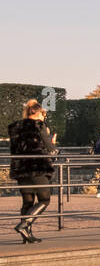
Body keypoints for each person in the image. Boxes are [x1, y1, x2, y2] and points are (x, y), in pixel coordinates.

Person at [9, 99, 56, 244]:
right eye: (43, 114)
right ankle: (23, 225)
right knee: (44, 199)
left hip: (21, 168)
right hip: (37, 167)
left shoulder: (15, 127)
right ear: (39, 113)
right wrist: (52, 141)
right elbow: (50, 149)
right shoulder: (39, 125)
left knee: (27, 202)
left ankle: (26, 235)